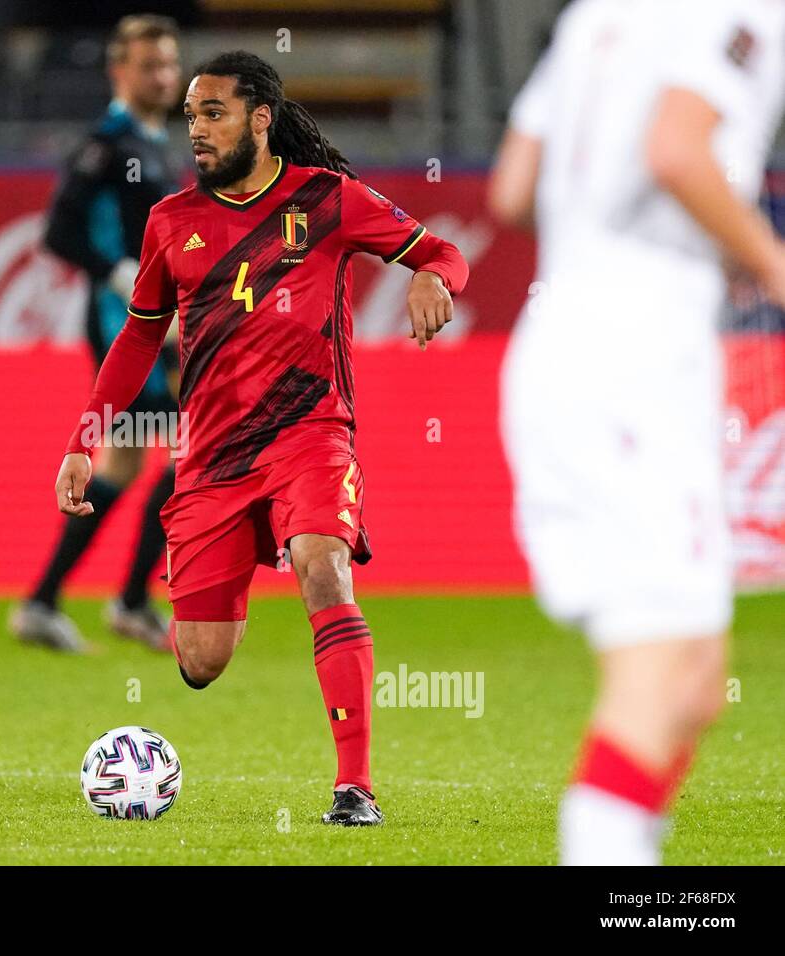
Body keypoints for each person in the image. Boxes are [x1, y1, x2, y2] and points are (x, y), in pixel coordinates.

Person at [54, 51, 468, 825]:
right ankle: (234, 561)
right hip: (211, 459)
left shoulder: (330, 200)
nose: (198, 131)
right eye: (190, 117)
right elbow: (140, 339)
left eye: (213, 113)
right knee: (201, 660)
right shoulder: (171, 221)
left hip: (312, 437)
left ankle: (355, 787)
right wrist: (84, 438)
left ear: (261, 119)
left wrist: (430, 276)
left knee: (323, 564)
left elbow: (442, 250)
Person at [489, 0, 785, 864]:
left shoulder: (598, 14)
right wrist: (766, 260)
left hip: (565, 343)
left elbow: (511, 189)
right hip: (635, 361)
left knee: (695, 678)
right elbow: (675, 151)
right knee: (658, 678)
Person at [11, 15, 185, 653]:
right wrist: (124, 278)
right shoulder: (106, 145)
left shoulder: (157, 145)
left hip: (156, 329)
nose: (163, 76)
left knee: (136, 456)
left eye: (169, 65)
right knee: (201, 443)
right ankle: (130, 600)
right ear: (120, 71)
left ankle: (50, 601)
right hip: (125, 332)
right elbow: (58, 231)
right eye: (149, 65)